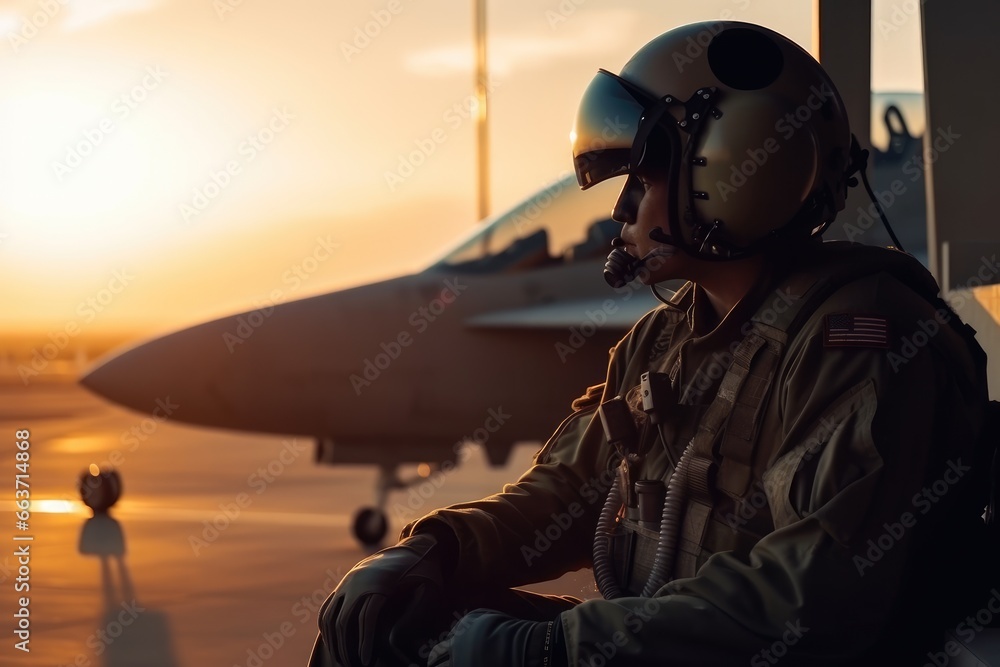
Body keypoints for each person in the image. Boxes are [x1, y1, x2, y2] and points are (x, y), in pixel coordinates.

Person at [311, 20, 995, 666]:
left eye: (642, 178)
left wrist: (549, 649)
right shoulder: (664, 336)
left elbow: (809, 602)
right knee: (385, 629)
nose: (621, 209)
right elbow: (568, 490)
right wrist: (437, 547)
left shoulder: (861, 342)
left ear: (729, 170)